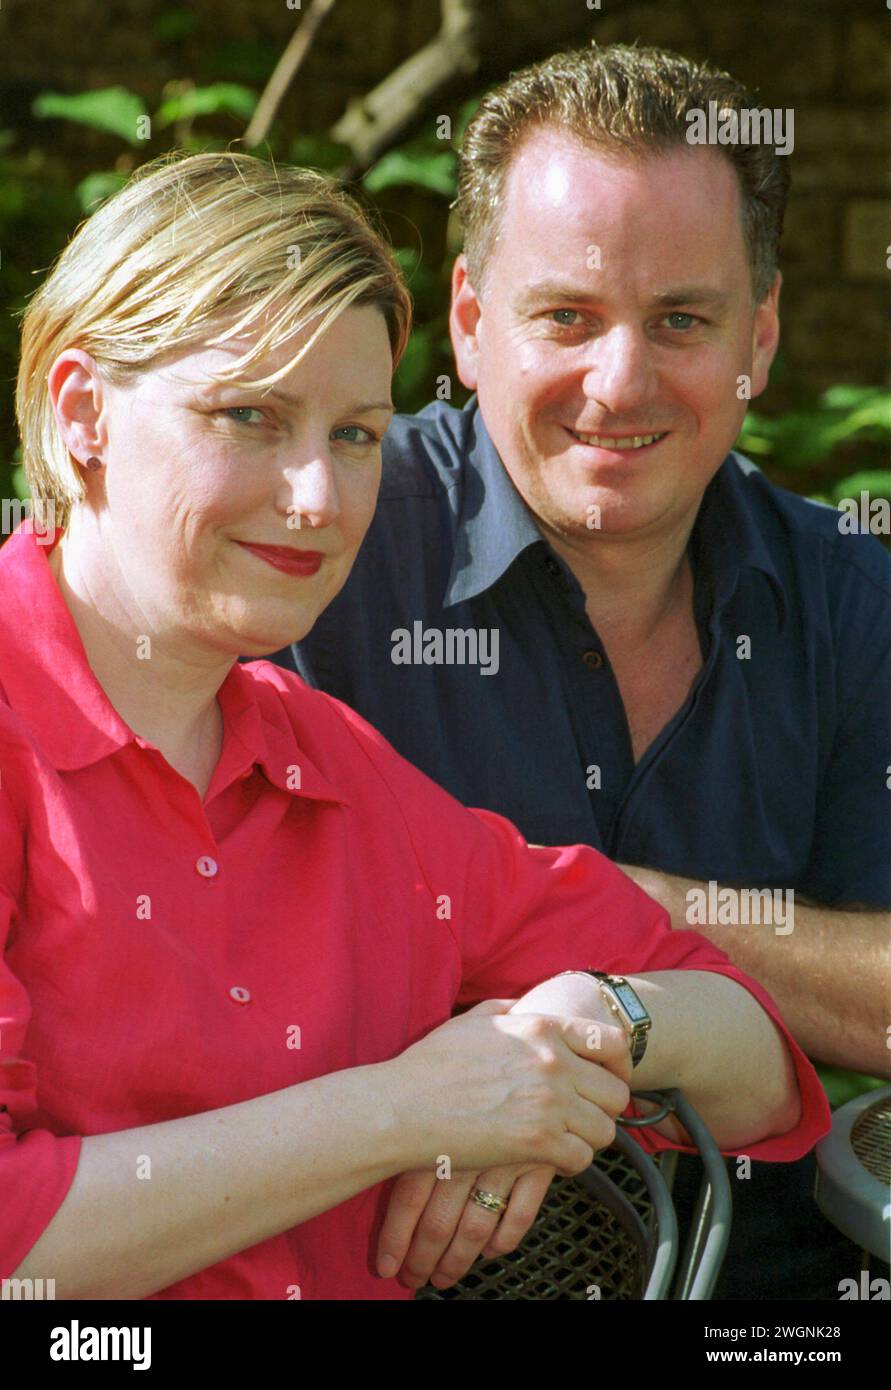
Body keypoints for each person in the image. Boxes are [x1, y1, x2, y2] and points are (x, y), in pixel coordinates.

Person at [0, 148, 831, 1303]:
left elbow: (753, 1066)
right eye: (250, 415)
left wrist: (587, 1018)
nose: (318, 498)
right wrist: (406, 1109)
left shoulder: (329, 766)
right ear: (83, 412)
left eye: (353, 433)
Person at [278, 44, 891, 1299]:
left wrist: (592, 910)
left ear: (758, 339)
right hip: (366, 1270)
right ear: (465, 319)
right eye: (566, 317)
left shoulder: (852, 594)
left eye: (682, 320)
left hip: (772, 1288)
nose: (620, 384)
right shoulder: (314, 541)